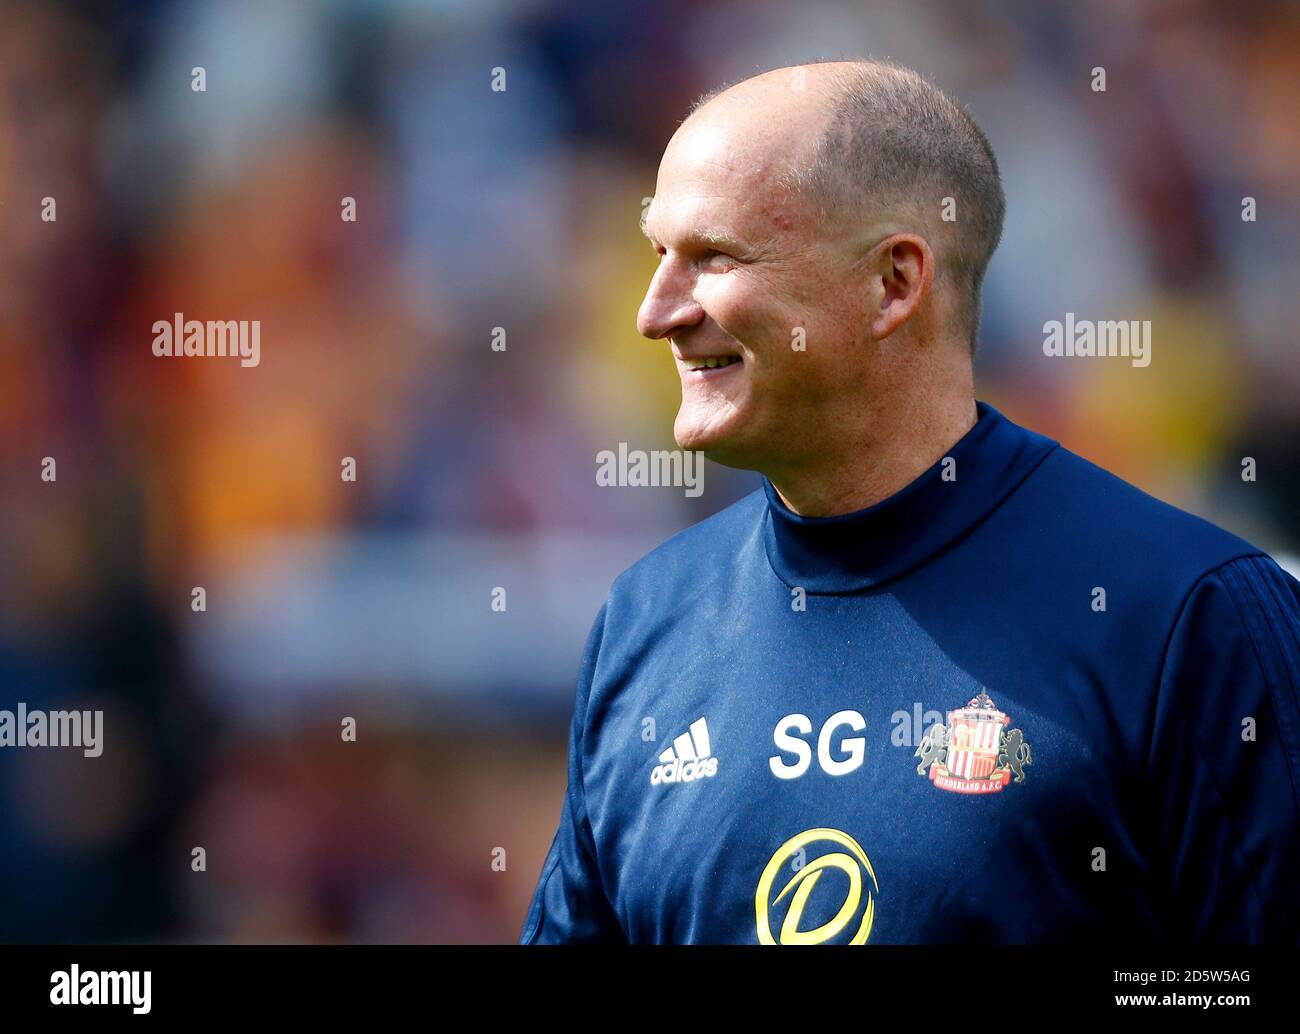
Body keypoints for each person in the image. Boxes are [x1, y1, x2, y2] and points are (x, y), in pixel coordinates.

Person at [520, 59, 1300, 944]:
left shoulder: (1191, 615)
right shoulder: (646, 622)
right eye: (659, 255)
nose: (656, 313)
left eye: (712, 258)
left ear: (895, 282)